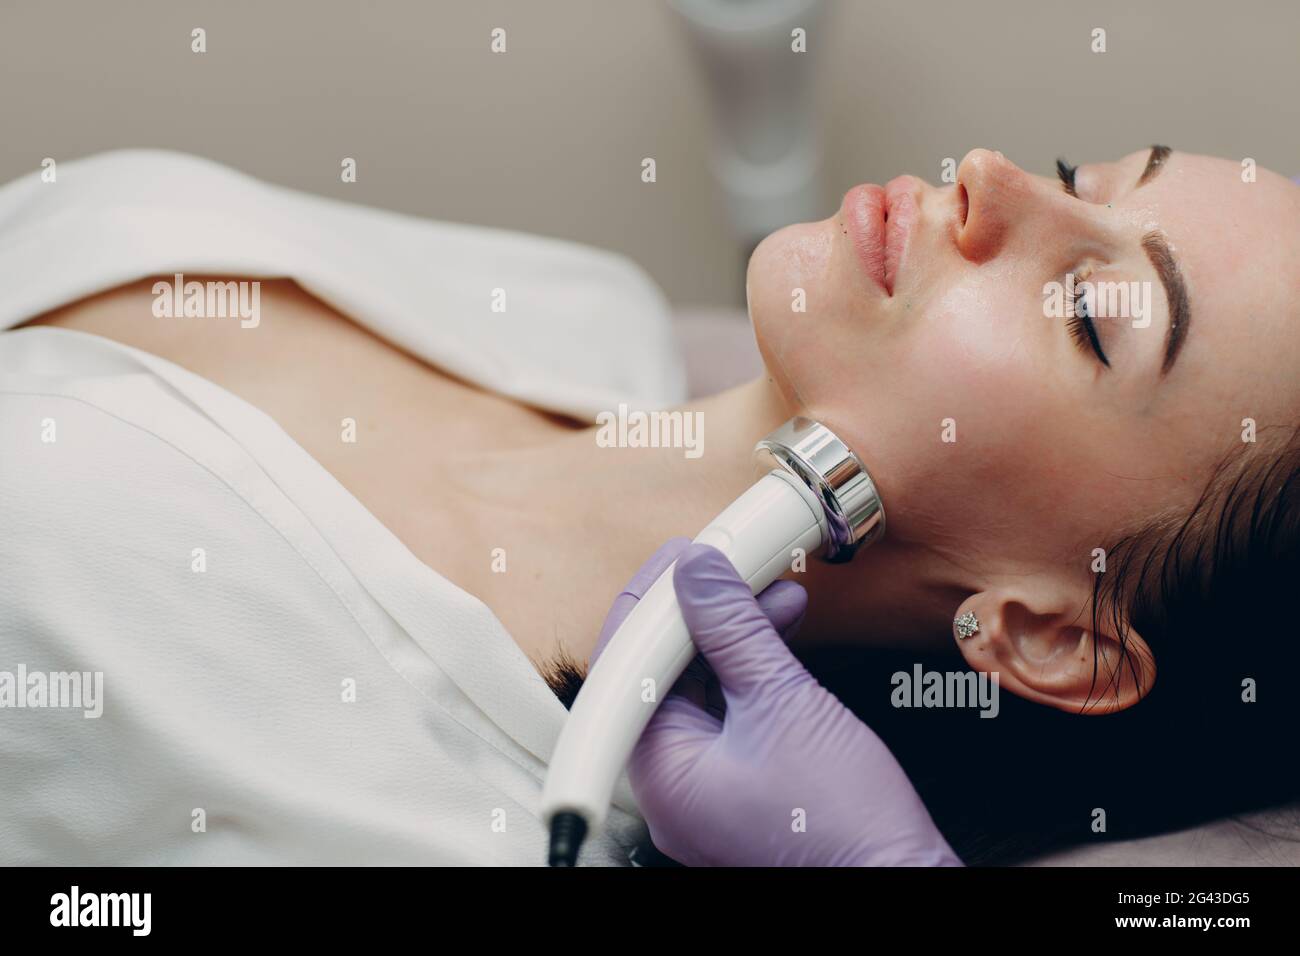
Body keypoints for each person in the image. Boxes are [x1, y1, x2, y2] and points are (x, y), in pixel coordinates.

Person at [1, 145, 1297, 863]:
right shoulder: (580, 301)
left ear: (1051, 633)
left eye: (1089, 312)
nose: (994, 179)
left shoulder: (430, 823)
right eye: (1082, 173)